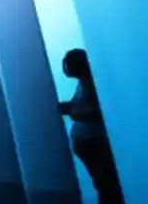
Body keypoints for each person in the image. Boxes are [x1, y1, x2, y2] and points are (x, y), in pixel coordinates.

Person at [60, 48, 123, 203]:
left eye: (67, 62)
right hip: (89, 142)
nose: (65, 66)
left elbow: (96, 112)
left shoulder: (91, 84)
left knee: (106, 185)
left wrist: (72, 112)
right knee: (104, 184)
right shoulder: (84, 83)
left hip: (93, 141)